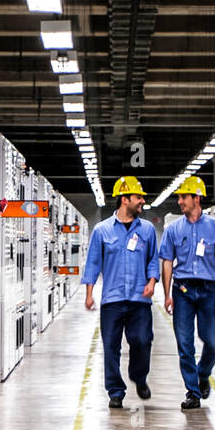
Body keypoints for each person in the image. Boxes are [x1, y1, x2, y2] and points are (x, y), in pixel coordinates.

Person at [81, 175, 159, 409]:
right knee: (111, 346)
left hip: (139, 299)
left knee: (142, 340)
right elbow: (93, 263)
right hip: (112, 299)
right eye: (138, 197)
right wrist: (89, 293)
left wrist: (152, 282)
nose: (142, 201)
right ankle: (115, 391)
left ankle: (139, 376)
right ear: (125, 199)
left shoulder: (147, 230)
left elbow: (152, 259)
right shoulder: (102, 230)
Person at [159, 176, 215, 410]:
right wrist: (167, 294)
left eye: (184, 197)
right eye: (179, 197)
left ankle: (203, 374)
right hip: (183, 290)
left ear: (196, 198)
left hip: (209, 290)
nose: (180, 201)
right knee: (185, 344)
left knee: (213, 342)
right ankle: (193, 392)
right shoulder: (173, 229)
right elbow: (167, 261)